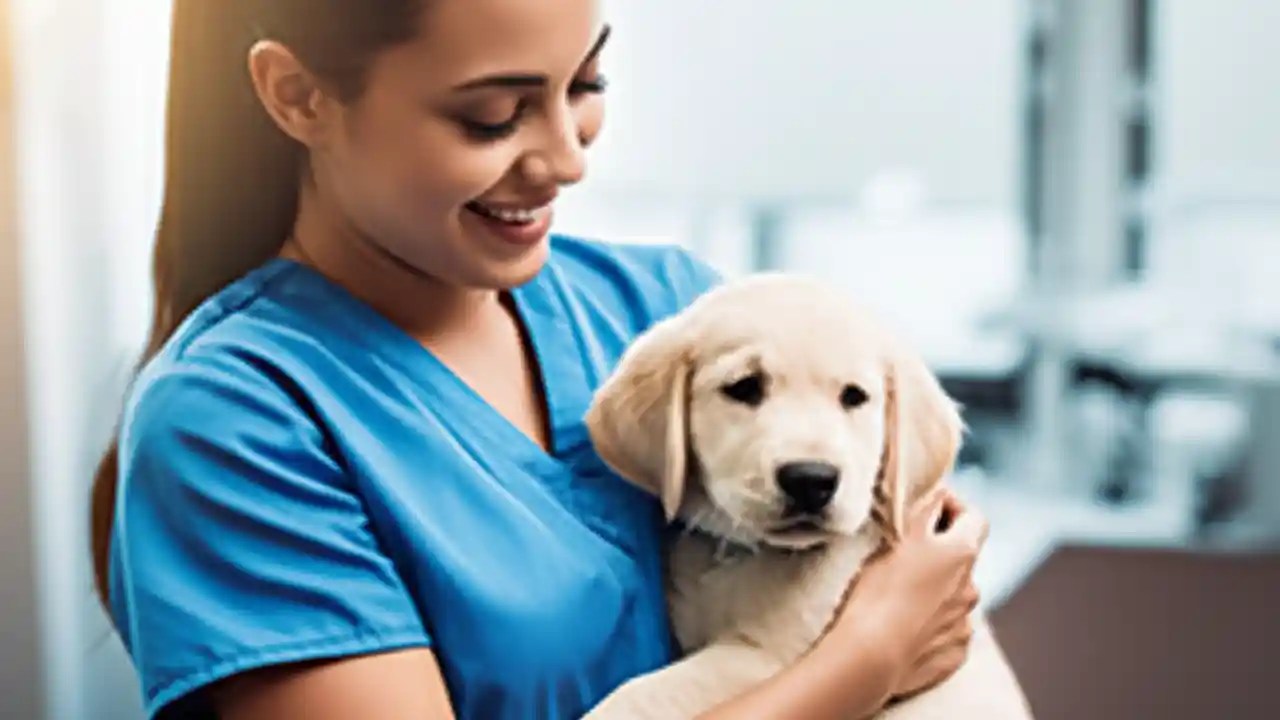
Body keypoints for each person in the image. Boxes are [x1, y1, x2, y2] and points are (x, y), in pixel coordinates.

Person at [90, 1, 989, 719]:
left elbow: (920, 566)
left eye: (586, 83)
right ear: (299, 96)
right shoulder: (238, 423)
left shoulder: (668, 309)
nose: (566, 158)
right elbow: (889, 627)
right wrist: (861, 664)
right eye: (492, 115)